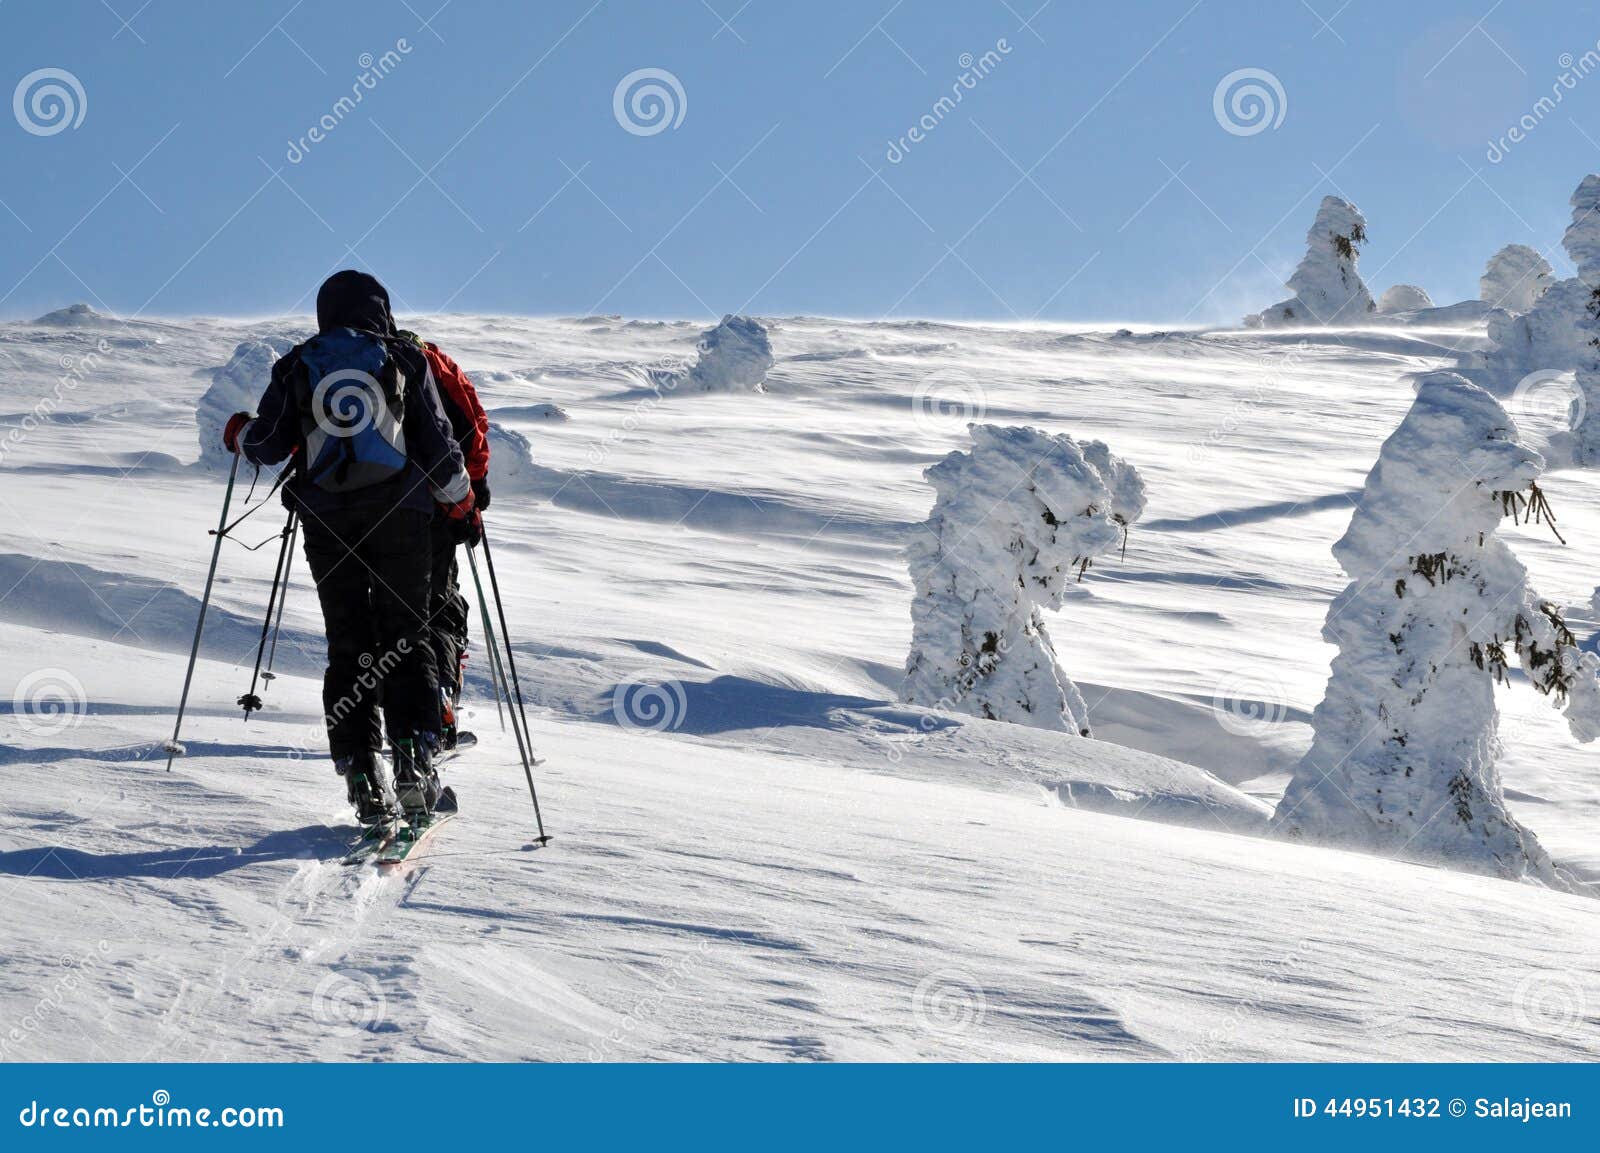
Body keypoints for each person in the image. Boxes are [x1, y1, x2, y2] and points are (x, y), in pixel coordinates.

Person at [221, 270, 480, 825]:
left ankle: (361, 770)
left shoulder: (298, 363)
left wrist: (238, 431)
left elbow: (266, 444)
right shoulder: (404, 358)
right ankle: (416, 762)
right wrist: (464, 504)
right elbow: (438, 447)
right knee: (405, 637)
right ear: (381, 309)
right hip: (401, 519)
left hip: (327, 523)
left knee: (349, 644)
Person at [395, 329, 490, 750]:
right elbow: (472, 427)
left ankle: (396, 711)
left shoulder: (349, 364)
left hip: (365, 508)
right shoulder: (432, 361)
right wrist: (473, 495)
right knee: (440, 604)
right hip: (436, 504)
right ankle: (440, 702)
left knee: (390, 607)